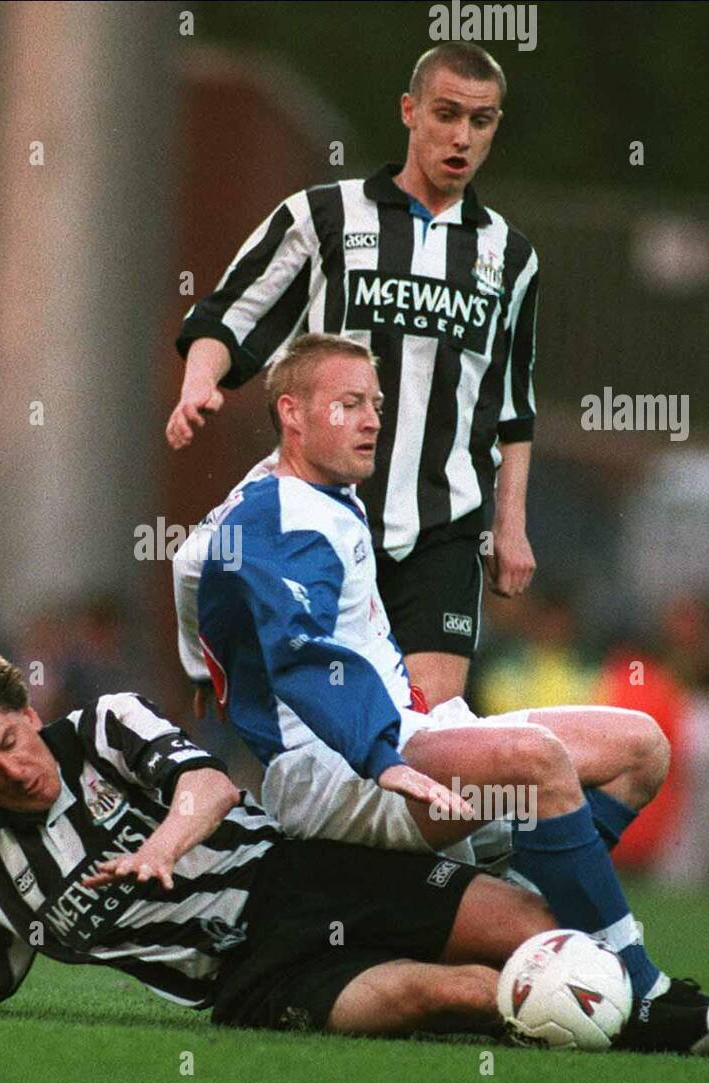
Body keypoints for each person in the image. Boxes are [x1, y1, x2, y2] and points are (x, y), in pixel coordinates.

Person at [172, 332, 709, 1055]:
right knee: (536, 761)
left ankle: (539, 929)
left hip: (409, 732)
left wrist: (202, 669)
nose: (374, 419)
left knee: (641, 749)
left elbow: (191, 566)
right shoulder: (281, 519)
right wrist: (383, 756)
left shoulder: (279, 498)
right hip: (343, 772)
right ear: (291, 412)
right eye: (350, 404)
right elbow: (303, 654)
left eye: (375, 403)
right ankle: (648, 997)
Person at [0, 642, 709, 1055]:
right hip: (250, 978)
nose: (14, 771)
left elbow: (205, 782)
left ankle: (630, 997)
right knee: (437, 988)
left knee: (527, 923)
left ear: (25, 710)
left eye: (10, 740)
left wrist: (163, 843)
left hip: (303, 868)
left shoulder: (103, 727)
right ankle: (696, 1029)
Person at [169, 41, 538, 708]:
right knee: (320, 722)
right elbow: (229, 313)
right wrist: (201, 381)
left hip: (443, 527)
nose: (461, 136)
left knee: (424, 730)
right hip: (325, 510)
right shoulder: (325, 216)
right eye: (446, 113)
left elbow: (512, 408)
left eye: (479, 121)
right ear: (410, 111)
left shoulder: (510, 256)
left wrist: (509, 525)